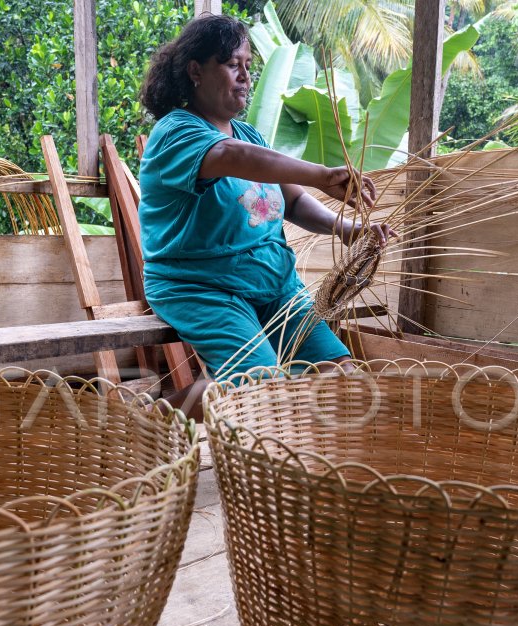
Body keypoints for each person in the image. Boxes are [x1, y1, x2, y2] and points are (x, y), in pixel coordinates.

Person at [138, 14, 393, 420]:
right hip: (203, 287)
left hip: (275, 286)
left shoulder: (249, 135)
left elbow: (292, 201)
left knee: (341, 376)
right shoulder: (176, 132)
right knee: (258, 386)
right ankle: (144, 420)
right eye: (231, 64)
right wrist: (323, 174)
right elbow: (230, 157)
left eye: (248, 65)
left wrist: (346, 228)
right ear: (195, 72)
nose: (245, 76)